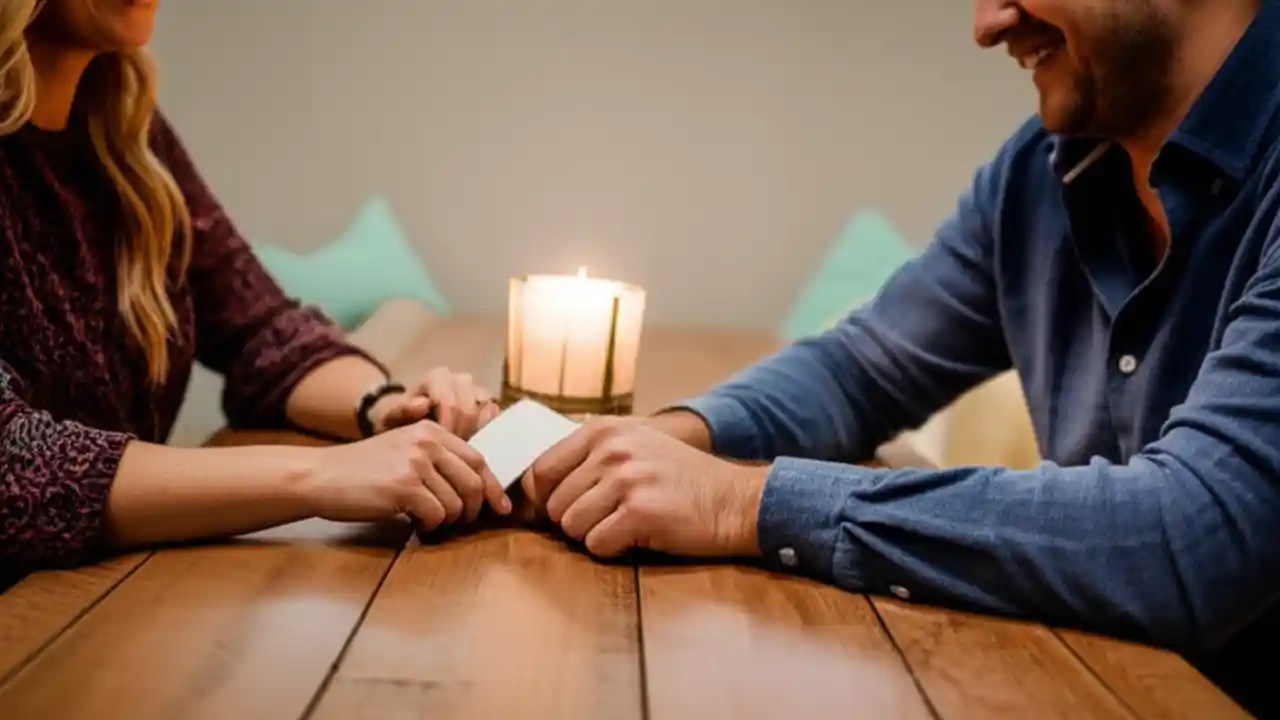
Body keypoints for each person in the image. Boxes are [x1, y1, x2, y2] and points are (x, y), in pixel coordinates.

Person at [524, 0, 1280, 711]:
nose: (987, 24)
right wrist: (665, 440)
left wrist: (735, 501)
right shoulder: (1040, 174)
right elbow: (861, 368)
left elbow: (1192, 537)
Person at [0, 0, 511, 581]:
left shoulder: (121, 130)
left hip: (108, 594)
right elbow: (14, 463)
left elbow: (262, 330)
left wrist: (389, 410)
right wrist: (322, 477)